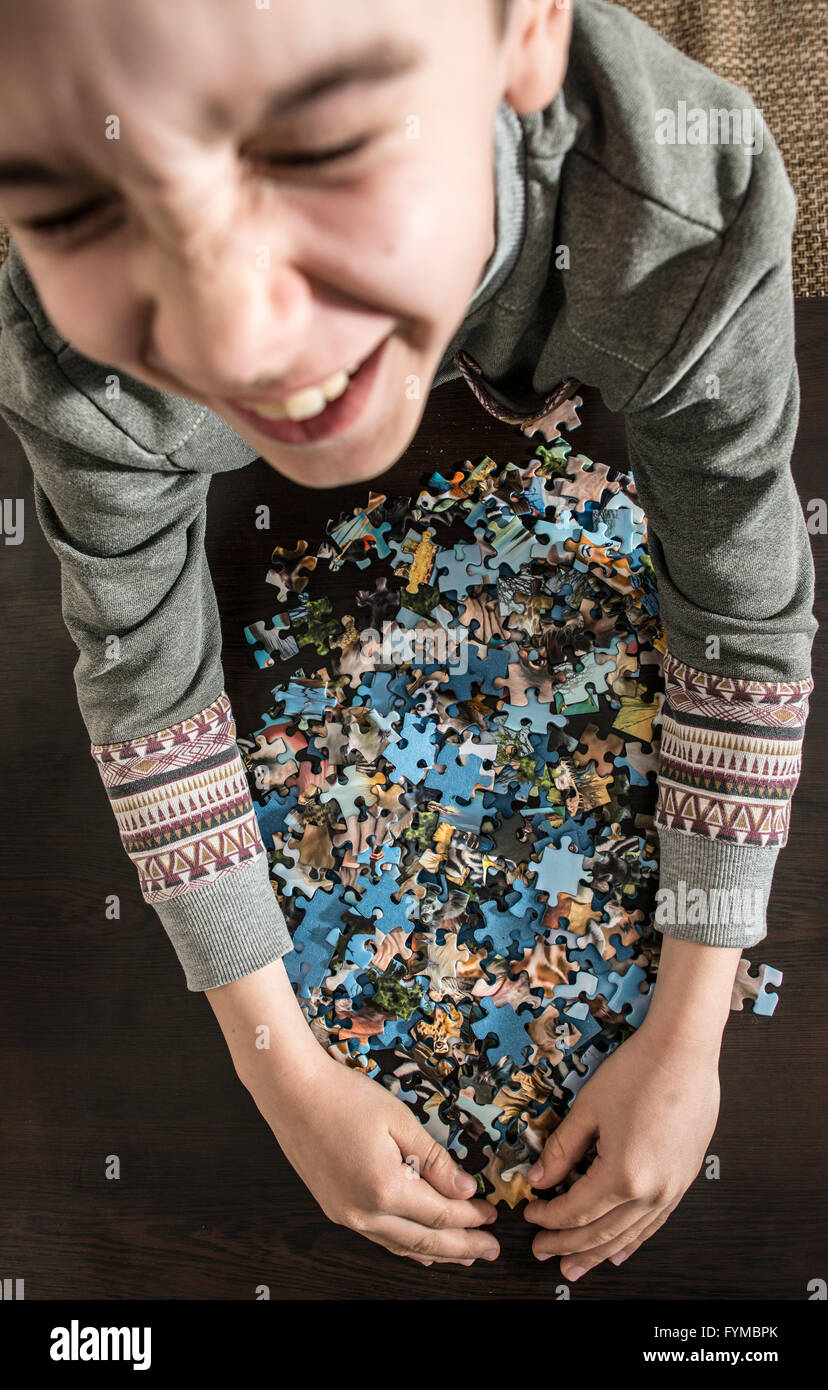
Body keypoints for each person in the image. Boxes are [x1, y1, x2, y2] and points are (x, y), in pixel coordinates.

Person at [0, 0, 816, 1281]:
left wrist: (691, 1022)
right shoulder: (68, 362)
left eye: (321, 142)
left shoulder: (686, 204)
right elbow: (138, 671)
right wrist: (276, 1061)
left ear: (530, 29)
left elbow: (747, 606)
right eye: (73, 203)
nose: (235, 339)